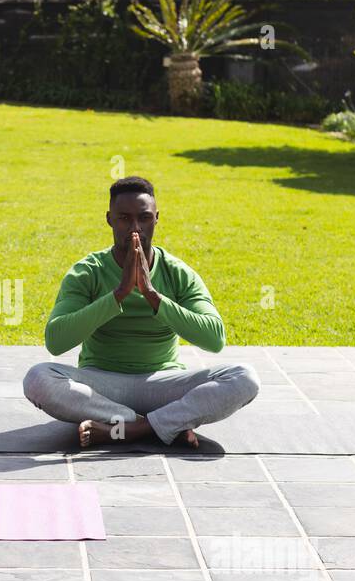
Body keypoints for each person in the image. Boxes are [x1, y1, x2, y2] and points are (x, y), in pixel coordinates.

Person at [23, 175, 260, 448]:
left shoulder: (178, 273)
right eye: (124, 218)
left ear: (156, 218)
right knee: (38, 378)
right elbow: (56, 340)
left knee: (244, 377)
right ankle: (160, 423)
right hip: (102, 386)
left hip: (164, 384)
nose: (135, 228)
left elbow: (214, 339)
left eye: (144, 218)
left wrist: (152, 295)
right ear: (109, 219)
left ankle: (134, 428)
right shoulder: (87, 272)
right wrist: (118, 294)